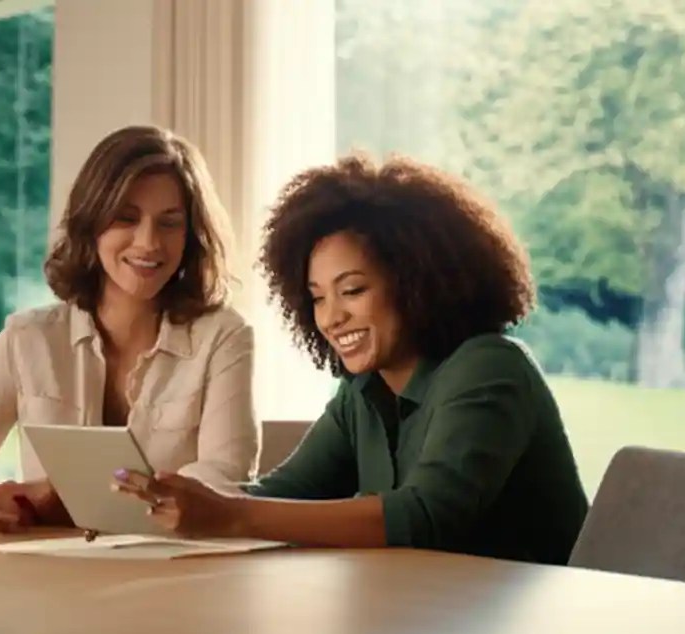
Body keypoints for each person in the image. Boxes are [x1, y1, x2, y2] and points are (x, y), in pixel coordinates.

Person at [114, 154, 588, 564]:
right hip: (435, 615)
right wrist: (174, 501)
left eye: (353, 290)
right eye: (317, 298)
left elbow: (426, 515)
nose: (331, 318)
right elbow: (283, 494)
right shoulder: (363, 392)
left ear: (417, 282)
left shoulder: (489, 368)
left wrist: (232, 516)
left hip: (538, 624)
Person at [0, 125, 257, 531]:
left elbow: (223, 484)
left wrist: (50, 497)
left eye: (170, 223)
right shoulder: (30, 339)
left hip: (176, 567)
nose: (149, 242)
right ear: (91, 222)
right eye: (126, 218)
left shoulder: (223, 337)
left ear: (191, 237)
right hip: (52, 568)